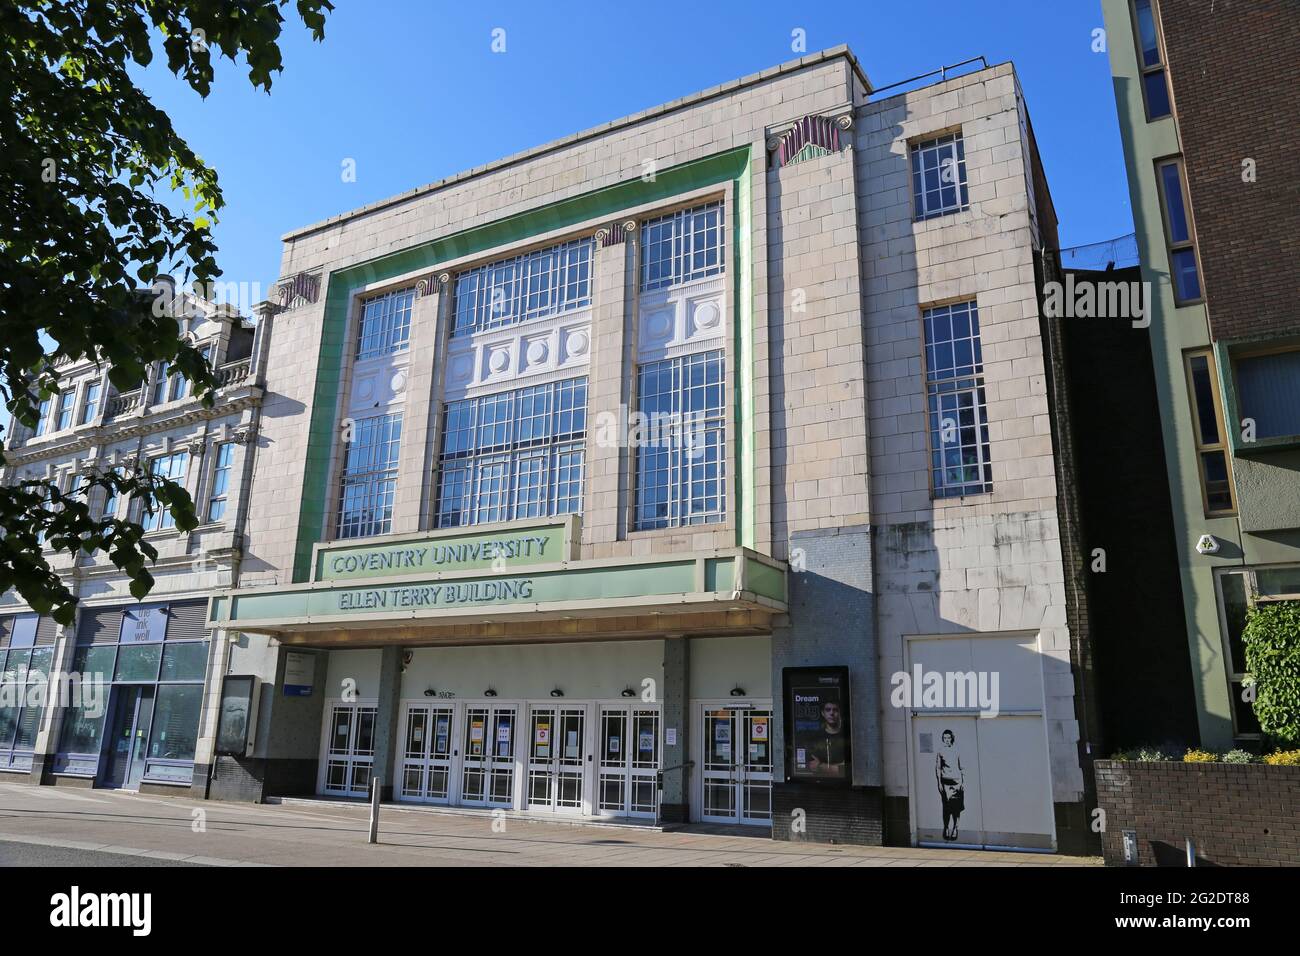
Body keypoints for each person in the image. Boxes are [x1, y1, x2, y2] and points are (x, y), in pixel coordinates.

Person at [935, 728, 965, 841]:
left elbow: (962, 767)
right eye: (944, 738)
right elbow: (938, 768)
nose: (946, 740)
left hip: (957, 782)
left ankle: (955, 828)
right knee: (946, 808)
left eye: (948, 737)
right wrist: (939, 783)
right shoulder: (940, 751)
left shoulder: (957, 750)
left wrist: (963, 782)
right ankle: (946, 828)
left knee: (956, 808)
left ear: (952, 738)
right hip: (945, 782)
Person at [804, 700, 846, 777]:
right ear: (823, 713)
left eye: (835, 710)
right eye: (828, 710)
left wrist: (822, 766)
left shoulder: (846, 735)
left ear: (840, 713)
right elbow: (812, 765)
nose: (832, 713)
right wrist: (837, 767)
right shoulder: (815, 737)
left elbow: (848, 768)